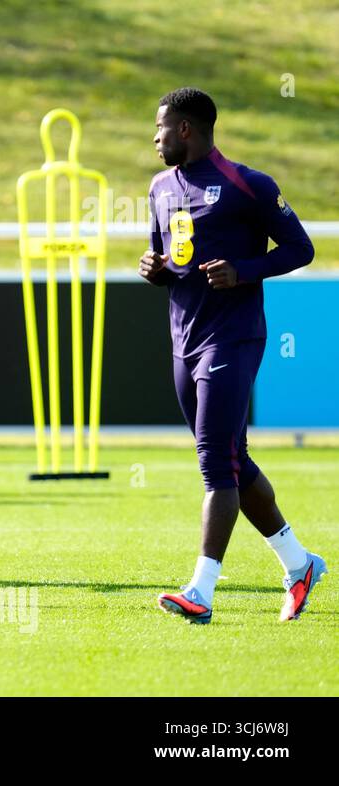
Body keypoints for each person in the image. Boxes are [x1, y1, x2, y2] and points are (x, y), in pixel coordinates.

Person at [139, 87, 323, 623]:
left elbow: (301, 248)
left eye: (161, 127)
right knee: (233, 461)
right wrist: (154, 269)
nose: (155, 137)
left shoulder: (249, 185)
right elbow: (169, 258)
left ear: (186, 129)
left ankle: (201, 591)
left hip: (233, 336)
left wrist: (243, 271)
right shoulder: (159, 187)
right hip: (184, 340)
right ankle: (299, 565)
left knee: (215, 462)